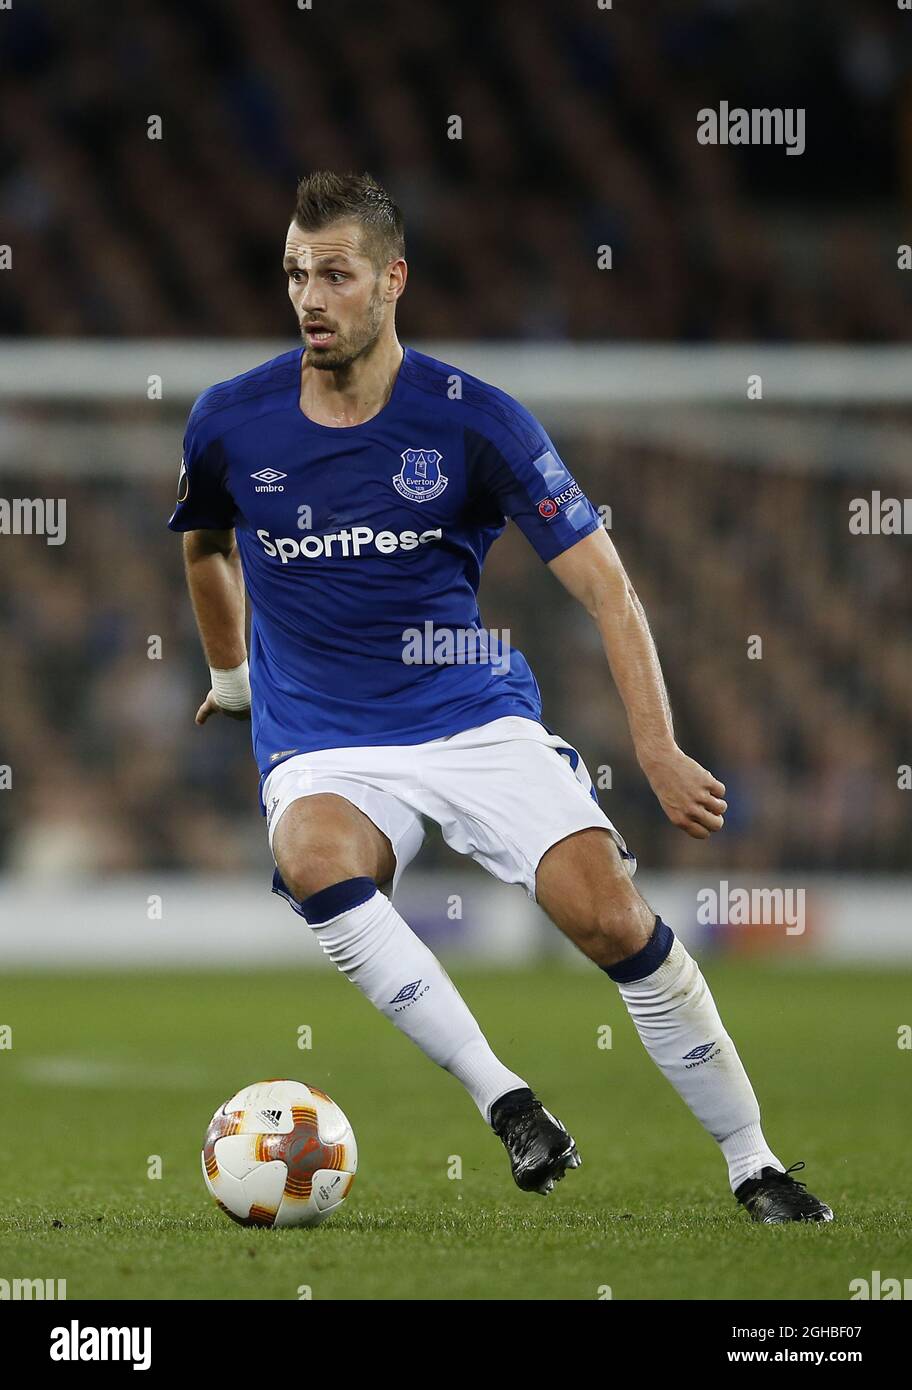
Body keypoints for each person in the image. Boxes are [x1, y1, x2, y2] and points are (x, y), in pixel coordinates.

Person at [170, 171, 831, 1224]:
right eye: (295, 273)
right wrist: (232, 677)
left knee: (610, 918)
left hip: (471, 719)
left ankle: (756, 1164)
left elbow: (607, 584)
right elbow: (206, 546)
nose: (310, 296)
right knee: (312, 864)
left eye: (335, 274)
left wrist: (656, 748)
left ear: (392, 280)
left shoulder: (477, 422)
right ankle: (509, 1100)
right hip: (326, 740)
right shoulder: (230, 423)